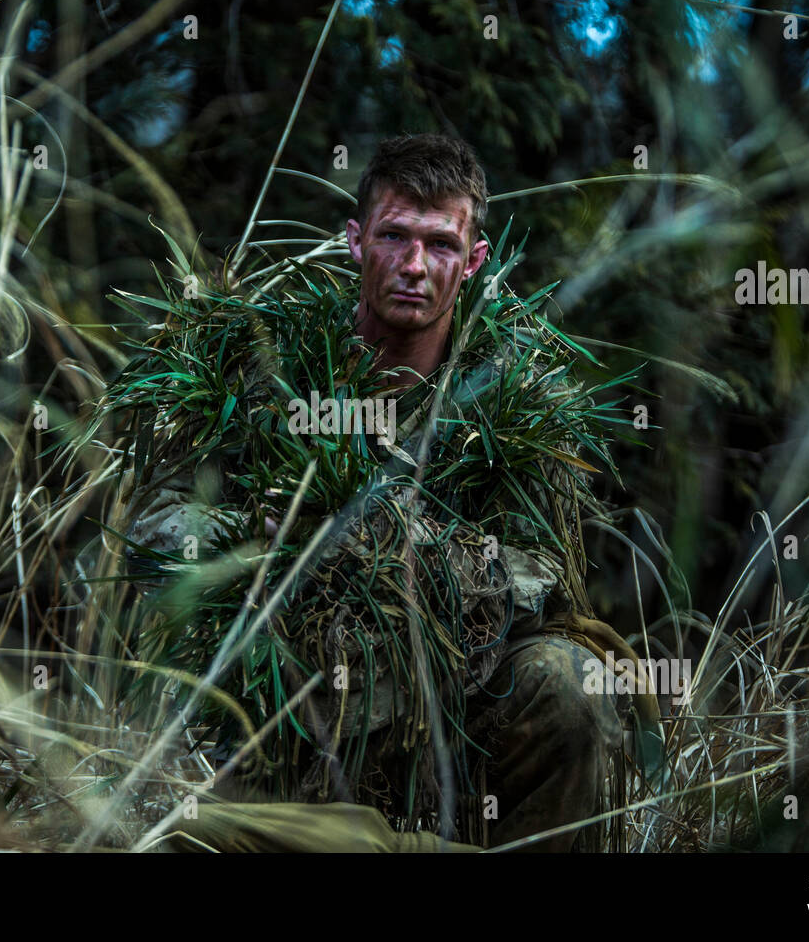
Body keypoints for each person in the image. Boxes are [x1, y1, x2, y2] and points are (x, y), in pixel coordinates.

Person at [117, 133, 658, 851]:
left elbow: (543, 577)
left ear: (473, 262)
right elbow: (151, 527)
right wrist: (253, 537)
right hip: (290, 709)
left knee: (569, 682)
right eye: (393, 235)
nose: (412, 265)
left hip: (460, 718)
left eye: (439, 244)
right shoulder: (265, 372)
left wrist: (391, 543)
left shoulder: (514, 412)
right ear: (353, 241)